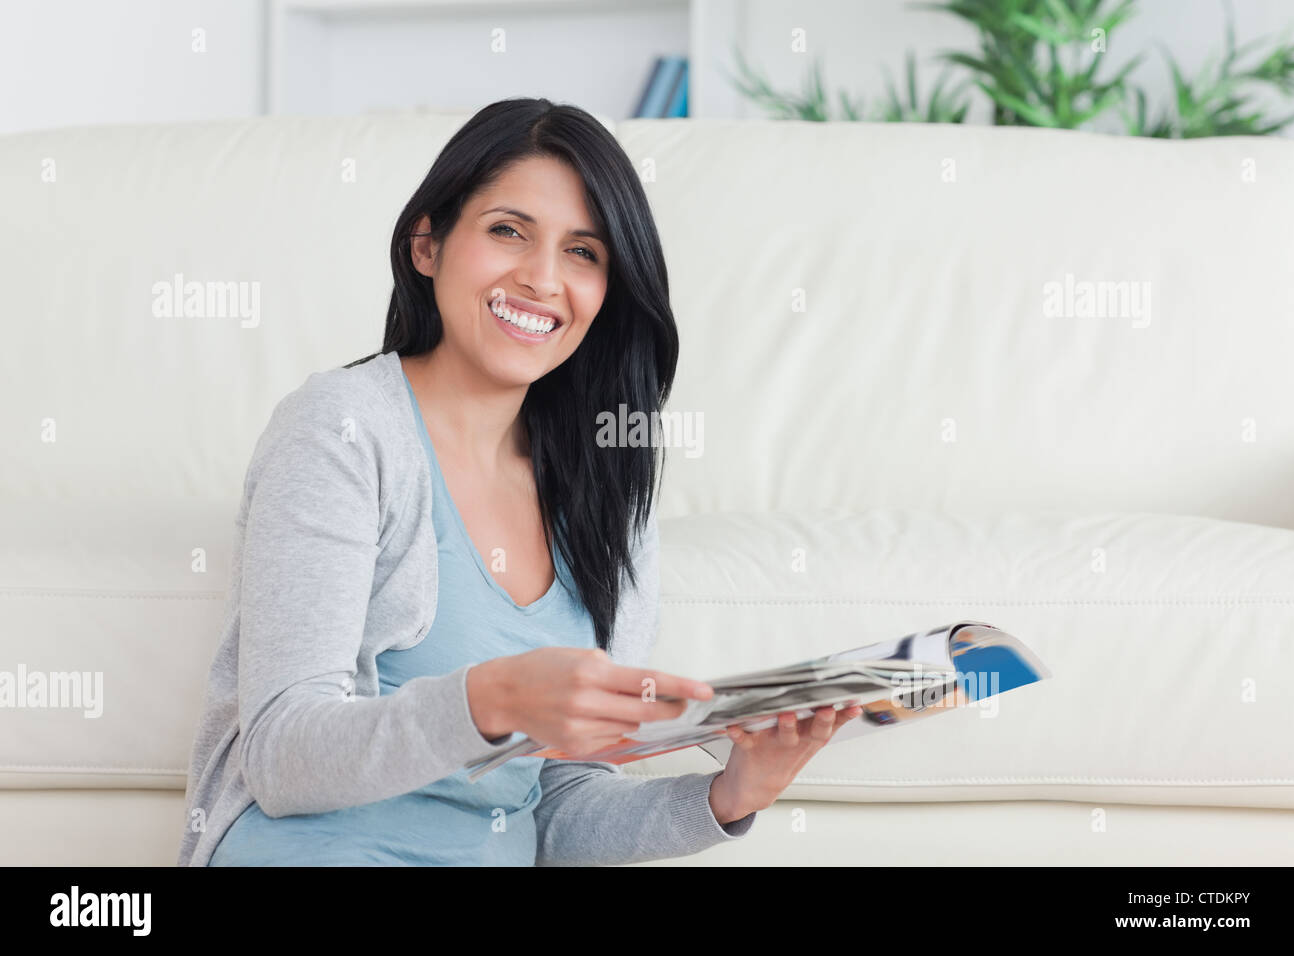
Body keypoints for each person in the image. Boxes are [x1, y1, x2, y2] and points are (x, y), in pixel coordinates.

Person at [179, 97, 863, 867]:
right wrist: (490, 700)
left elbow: (562, 809)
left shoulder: (607, 493)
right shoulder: (342, 430)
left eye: (583, 252)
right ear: (427, 245)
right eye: (509, 231)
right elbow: (281, 757)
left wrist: (727, 796)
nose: (542, 279)